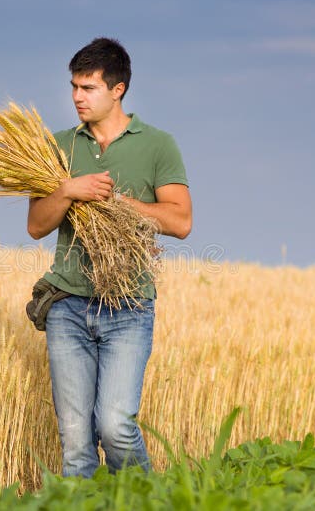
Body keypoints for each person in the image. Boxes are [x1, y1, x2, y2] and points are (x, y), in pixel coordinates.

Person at [27, 37, 192, 478]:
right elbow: (36, 226)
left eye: (89, 88)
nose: (78, 97)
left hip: (129, 306)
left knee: (116, 426)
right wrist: (67, 189)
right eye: (74, 87)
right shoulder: (55, 148)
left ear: (118, 90)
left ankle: (146, 501)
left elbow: (180, 222)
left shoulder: (158, 145)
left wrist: (116, 204)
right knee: (76, 441)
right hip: (67, 306)